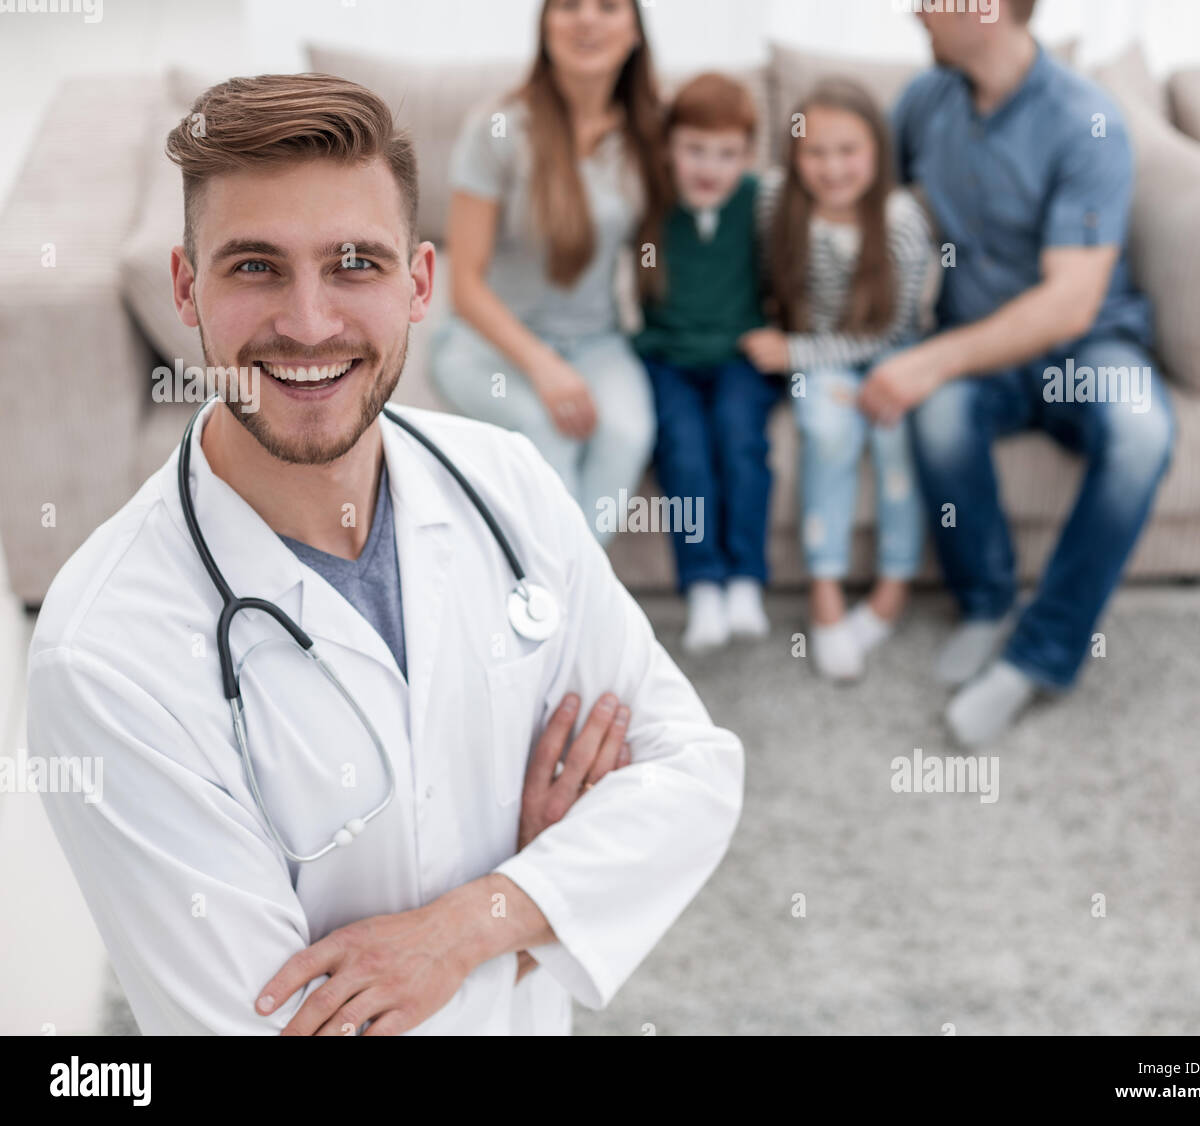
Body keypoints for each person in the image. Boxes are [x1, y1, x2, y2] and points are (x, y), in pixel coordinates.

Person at [25, 73, 742, 1036]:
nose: (310, 322)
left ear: (420, 284)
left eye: (354, 262)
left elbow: (693, 775)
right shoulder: (107, 653)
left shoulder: (510, 483)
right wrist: (538, 903)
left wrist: (463, 928)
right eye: (254, 267)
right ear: (187, 287)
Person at [876, 0, 1176, 744]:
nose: (915, 13)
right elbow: (856, 197)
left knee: (1141, 433)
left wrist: (929, 359)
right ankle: (987, 604)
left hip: (1088, 346)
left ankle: (1039, 655)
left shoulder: (1086, 120)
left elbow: (1071, 303)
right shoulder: (924, 102)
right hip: (982, 346)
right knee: (940, 415)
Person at [429, 0, 672, 545]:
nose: (586, 19)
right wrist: (543, 367)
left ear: (634, 31)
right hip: (489, 343)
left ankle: (557, 604)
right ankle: (566, 610)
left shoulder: (648, 133)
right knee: (547, 432)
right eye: (568, 5)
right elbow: (464, 286)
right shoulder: (497, 129)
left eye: (607, 7)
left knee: (628, 432)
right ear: (545, 26)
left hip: (597, 341)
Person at [743, 79, 939, 682]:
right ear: (793, 154)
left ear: (878, 151)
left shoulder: (901, 220)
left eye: (848, 150)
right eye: (815, 152)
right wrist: (800, 355)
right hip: (819, 364)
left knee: (894, 434)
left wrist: (795, 352)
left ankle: (892, 587)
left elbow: (891, 327)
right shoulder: (776, 204)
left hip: (888, 348)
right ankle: (824, 588)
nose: (831, 168)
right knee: (826, 430)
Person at [634, 73, 782, 653]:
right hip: (667, 357)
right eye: (695, 149)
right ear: (669, 147)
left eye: (727, 155)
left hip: (740, 356)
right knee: (684, 450)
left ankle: (745, 577)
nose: (709, 168)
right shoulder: (651, 200)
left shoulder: (757, 200)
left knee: (740, 438)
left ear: (748, 156)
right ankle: (703, 584)